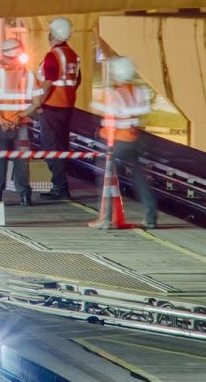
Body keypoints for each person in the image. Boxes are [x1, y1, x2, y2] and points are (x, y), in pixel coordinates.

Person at [93, 56, 157, 229]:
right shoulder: (139, 90)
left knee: (106, 175)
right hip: (134, 138)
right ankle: (151, 216)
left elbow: (104, 110)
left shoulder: (113, 93)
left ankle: (105, 218)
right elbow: (143, 110)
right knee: (139, 176)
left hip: (117, 141)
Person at [0, 39, 43, 206]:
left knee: (0, 160)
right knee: (22, 160)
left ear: (5, 57)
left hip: (0, 125)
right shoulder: (30, 75)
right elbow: (37, 102)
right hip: (21, 124)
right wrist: (20, 116)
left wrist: (2, 119)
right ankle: (24, 195)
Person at [30, 16, 80, 201]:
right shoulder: (72, 54)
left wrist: (38, 104)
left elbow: (48, 84)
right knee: (61, 146)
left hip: (52, 107)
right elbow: (77, 80)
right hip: (67, 106)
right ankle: (60, 186)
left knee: (52, 148)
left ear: (54, 34)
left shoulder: (53, 56)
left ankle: (60, 188)